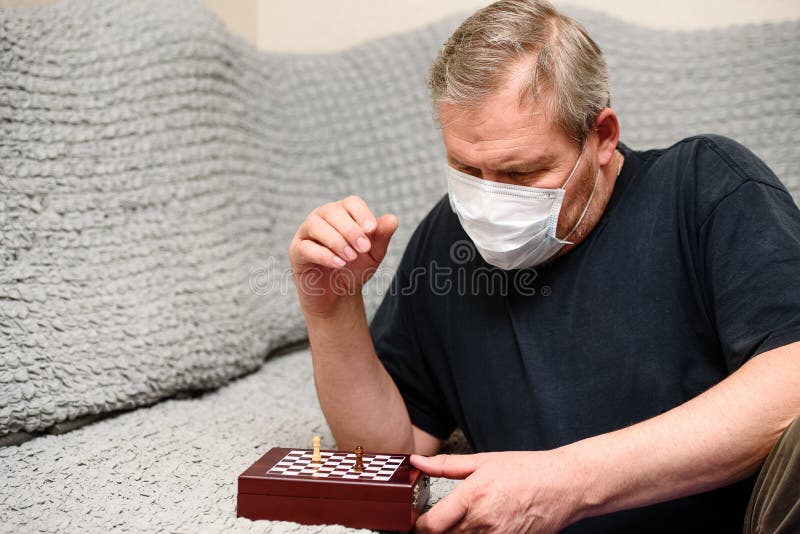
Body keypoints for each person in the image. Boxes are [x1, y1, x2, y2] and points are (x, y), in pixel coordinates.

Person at [288, 0, 800, 531]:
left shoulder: (702, 187)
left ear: (601, 137)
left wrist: (566, 482)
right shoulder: (448, 239)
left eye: (523, 172)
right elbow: (390, 453)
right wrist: (331, 312)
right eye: (467, 168)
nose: (489, 201)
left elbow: (793, 375)